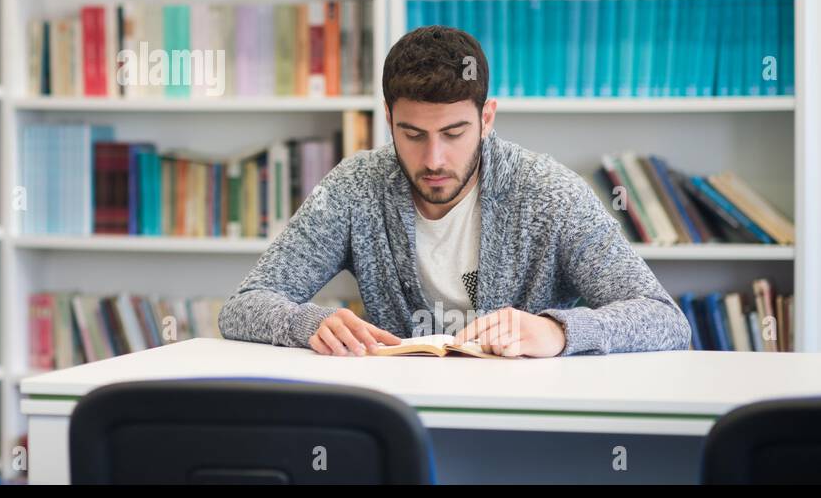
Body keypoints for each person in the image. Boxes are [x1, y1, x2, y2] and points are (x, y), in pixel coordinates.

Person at [217, 25, 692, 358]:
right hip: (402, 415)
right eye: (413, 134)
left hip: (524, 419)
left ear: (487, 118)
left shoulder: (550, 194)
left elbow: (665, 321)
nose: (434, 160)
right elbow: (244, 305)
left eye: (454, 133)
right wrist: (310, 324)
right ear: (388, 119)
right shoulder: (355, 187)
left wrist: (558, 331)